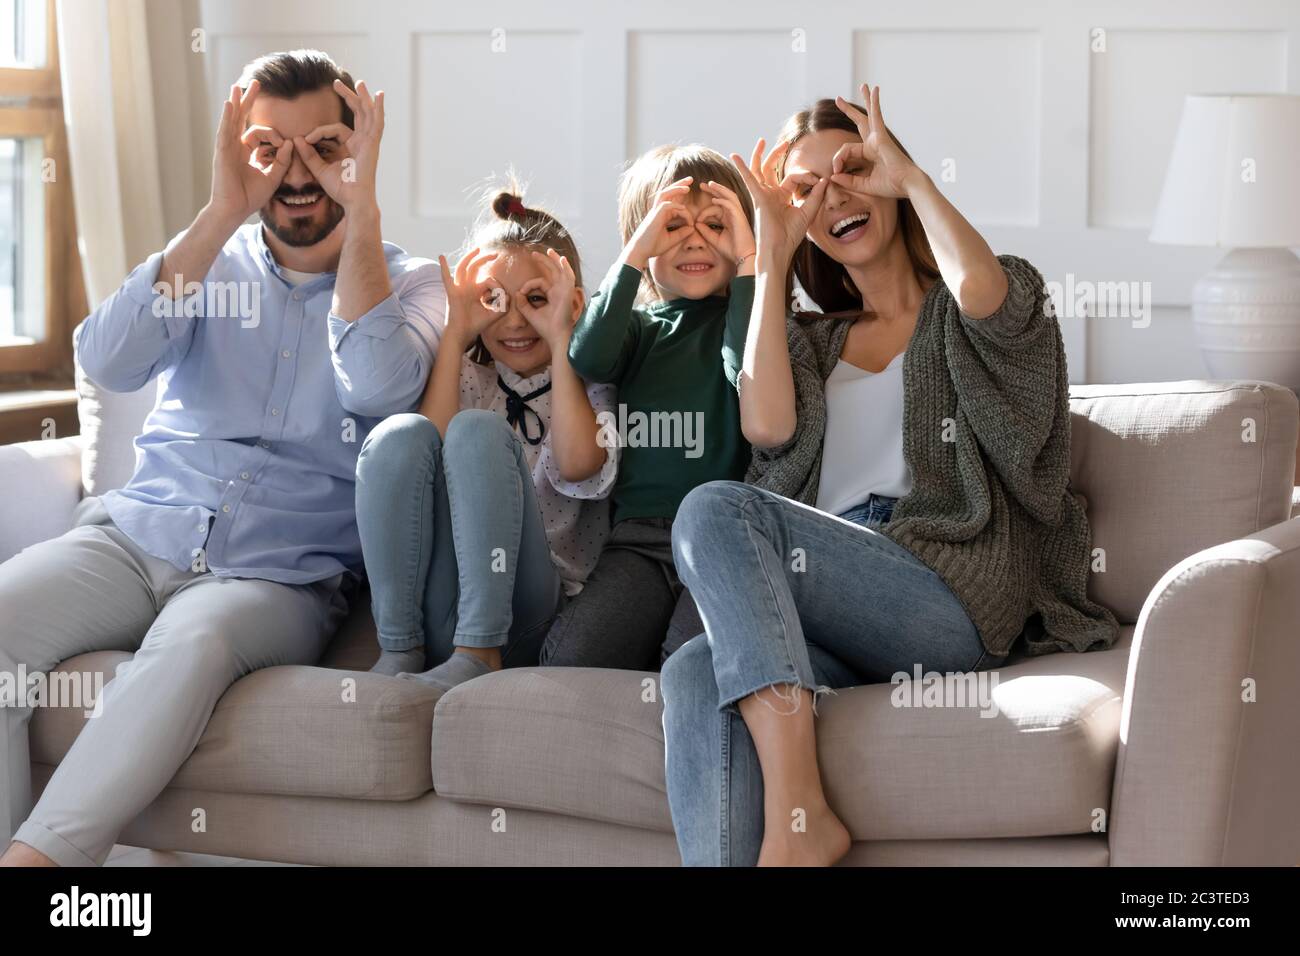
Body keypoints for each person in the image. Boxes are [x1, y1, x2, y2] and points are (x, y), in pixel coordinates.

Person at [0, 49, 443, 867]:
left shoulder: (414, 284)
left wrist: (362, 211)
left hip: (277, 578)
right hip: (133, 538)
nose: (297, 173)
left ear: (358, 152)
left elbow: (379, 384)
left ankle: (40, 864)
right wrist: (219, 211)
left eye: (324, 148)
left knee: (191, 647)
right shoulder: (207, 263)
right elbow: (107, 360)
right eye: (271, 148)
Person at [661, 85, 1119, 866]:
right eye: (809, 189)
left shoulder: (972, 307)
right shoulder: (813, 343)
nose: (836, 197)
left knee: (712, 510)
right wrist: (771, 255)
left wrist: (909, 178)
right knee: (694, 671)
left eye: (850, 169)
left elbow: (989, 299)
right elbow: (766, 428)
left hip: (942, 593)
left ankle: (801, 815)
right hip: (830, 602)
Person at [356, 187, 617, 691]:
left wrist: (562, 339)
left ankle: (481, 651)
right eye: (495, 300)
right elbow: (423, 461)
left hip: (529, 611)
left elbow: (579, 464)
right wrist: (455, 334)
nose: (515, 321)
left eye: (537, 300)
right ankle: (399, 646)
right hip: (446, 604)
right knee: (399, 434)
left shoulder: (591, 389)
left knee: (477, 430)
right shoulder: (470, 378)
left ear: (572, 303)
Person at [540, 144, 757, 670]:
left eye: (716, 224)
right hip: (638, 540)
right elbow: (588, 355)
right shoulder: (639, 330)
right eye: (672, 225)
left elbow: (742, 367)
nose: (695, 239)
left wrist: (751, 262)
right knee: (571, 660)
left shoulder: (747, 319)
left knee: (689, 664)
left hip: (722, 539)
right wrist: (635, 256)